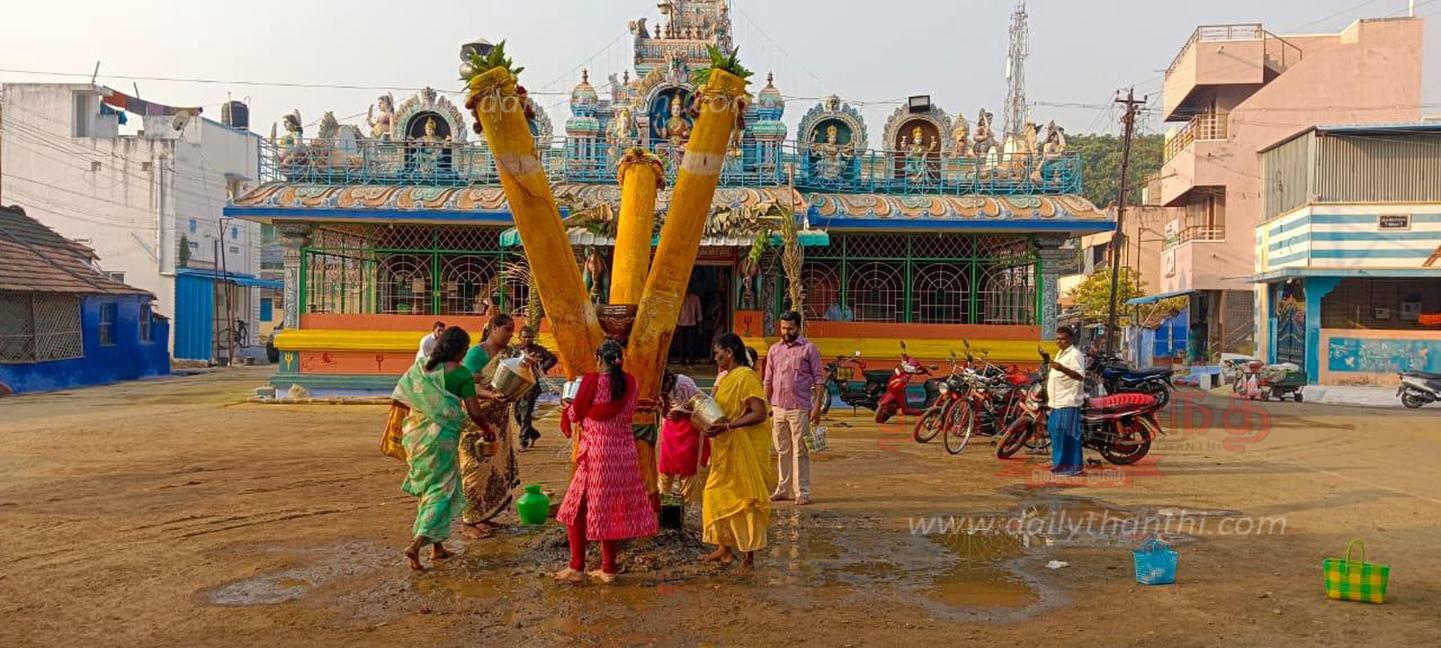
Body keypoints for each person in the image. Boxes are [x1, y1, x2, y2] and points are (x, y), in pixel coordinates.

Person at [391, 326, 499, 571]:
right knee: (443, 490)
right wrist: (487, 430)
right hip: (442, 440)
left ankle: (438, 548)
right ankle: (417, 543)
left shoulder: (421, 369)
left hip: (416, 438)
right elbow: (474, 411)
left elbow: (399, 397)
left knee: (427, 490)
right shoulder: (461, 375)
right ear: (460, 350)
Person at [554, 341, 658, 584]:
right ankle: (608, 567)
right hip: (623, 453)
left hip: (598, 455)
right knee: (610, 509)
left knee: (575, 508)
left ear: (598, 358)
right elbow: (627, 408)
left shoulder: (591, 381)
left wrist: (567, 408)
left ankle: (577, 567)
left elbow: (576, 414)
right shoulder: (631, 383)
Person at [700, 333, 776, 570]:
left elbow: (759, 413)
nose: (715, 358)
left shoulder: (746, 377)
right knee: (715, 493)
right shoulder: (727, 378)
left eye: (717, 353)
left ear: (729, 353)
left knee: (746, 500)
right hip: (725, 448)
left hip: (744, 449)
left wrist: (729, 426)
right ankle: (724, 548)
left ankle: (748, 556)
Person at [457, 313, 521, 539]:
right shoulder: (476, 354)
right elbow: (468, 385)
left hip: (499, 420)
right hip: (476, 418)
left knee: (494, 469)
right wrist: (491, 395)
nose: (510, 335)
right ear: (493, 328)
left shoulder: (509, 354)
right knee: (474, 470)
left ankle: (484, 516)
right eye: (506, 330)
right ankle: (469, 522)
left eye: (512, 331)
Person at [764, 311, 824, 505]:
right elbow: (768, 380)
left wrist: (817, 408)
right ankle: (783, 489)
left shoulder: (809, 349)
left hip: (800, 408)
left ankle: (802, 492)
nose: (786, 331)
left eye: (790, 328)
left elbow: (819, 380)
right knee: (782, 450)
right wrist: (765, 405)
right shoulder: (774, 350)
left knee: (800, 451)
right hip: (777, 407)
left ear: (798, 327)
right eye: (783, 328)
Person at [658, 370, 708, 503]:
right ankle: (663, 502)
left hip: (689, 428)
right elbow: (663, 411)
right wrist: (666, 411)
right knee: (665, 466)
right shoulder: (658, 385)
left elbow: (702, 407)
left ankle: (684, 504)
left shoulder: (685, 384)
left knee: (688, 467)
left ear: (669, 380)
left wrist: (682, 413)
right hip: (670, 430)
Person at [1043, 325, 1087, 476]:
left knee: (1066, 435)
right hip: (1056, 401)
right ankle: (1059, 463)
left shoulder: (1075, 354)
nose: (1059, 341)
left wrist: (1062, 369)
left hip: (1068, 401)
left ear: (1070, 339)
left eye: (1062, 339)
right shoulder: (1061, 353)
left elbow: (1080, 376)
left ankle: (1071, 466)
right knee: (1056, 432)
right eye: (1057, 339)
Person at [514, 325, 558, 450]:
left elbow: (553, 358)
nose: (527, 339)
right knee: (517, 414)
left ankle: (523, 442)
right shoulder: (516, 350)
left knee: (525, 413)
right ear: (520, 337)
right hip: (517, 386)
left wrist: (542, 368)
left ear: (533, 338)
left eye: (530, 337)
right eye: (524, 337)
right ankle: (534, 434)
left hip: (532, 385)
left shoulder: (538, 350)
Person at [677, 291, 702, 367]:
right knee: (681, 344)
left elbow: (699, 310)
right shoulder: (679, 297)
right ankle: (682, 362)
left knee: (691, 344)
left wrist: (700, 324)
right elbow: (676, 310)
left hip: (692, 324)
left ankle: (691, 361)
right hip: (681, 324)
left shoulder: (695, 298)